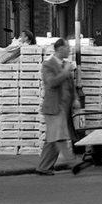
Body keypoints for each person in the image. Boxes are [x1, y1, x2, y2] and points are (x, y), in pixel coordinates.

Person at [36, 38, 78, 176]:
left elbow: (71, 85)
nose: (69, 50)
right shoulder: (48, 65)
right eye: (67, 48)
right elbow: (51, 82)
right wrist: (65, 72)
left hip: (64, 108)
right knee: (59, 138)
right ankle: (74, 164)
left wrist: (75, 99)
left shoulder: (66, 64)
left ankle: (44, 167)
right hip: (54, 107)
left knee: (52, 139)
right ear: (60, 49)